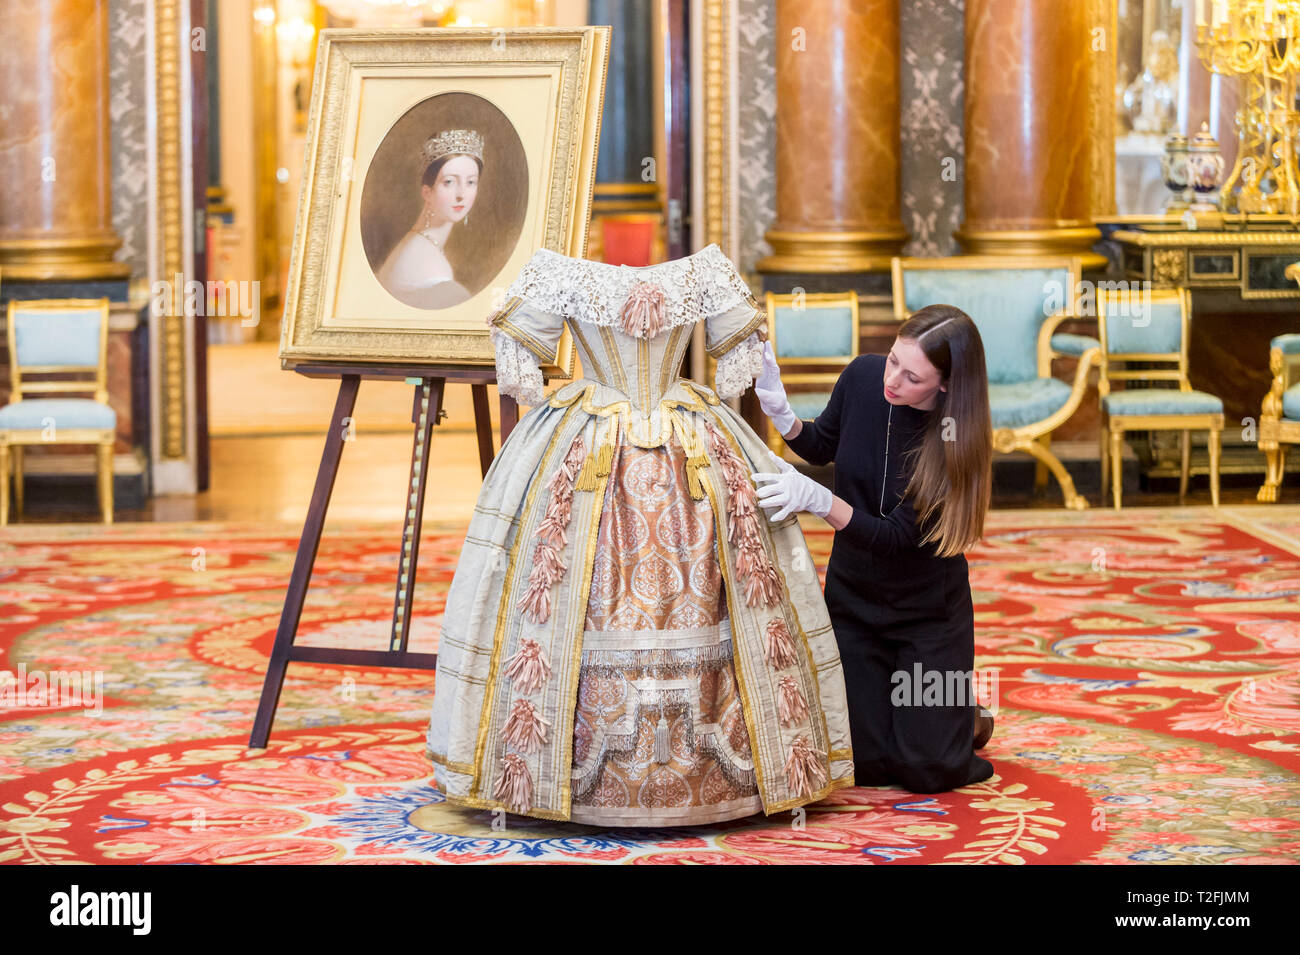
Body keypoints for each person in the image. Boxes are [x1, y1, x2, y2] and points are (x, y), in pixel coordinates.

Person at [425, 243, 856, 825]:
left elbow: (520, 372)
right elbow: (735, 372)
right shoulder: (682, 272)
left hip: (597, 431)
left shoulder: (590, 274)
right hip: (679, 434)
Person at [750, 304, 996, 793]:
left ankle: (965, 718)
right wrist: (781, 412)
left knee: (928, 770)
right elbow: (822, 443)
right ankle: (926, 715)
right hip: (856, 600)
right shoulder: (864, 376)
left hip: (926, 614)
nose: (893, 380)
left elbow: (894, 539)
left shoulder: (952, 439)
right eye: (893, 360)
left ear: (945, 385)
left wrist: (821, 501)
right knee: (863, 763)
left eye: (913, 377)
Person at [376, 128, 479, 309]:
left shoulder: (421, 243)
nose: (461, 194)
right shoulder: (425, 262)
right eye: (449, 182)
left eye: (470, 182)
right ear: (427, 192)